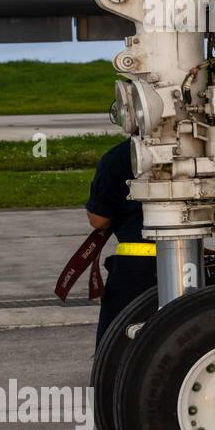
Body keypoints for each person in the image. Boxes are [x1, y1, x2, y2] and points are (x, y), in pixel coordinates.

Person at [86, 138, 157, 349]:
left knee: (116, 344)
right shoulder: (193, 150)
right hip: (190, 259)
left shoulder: (118, 157)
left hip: (136, 269)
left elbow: (99, 220)